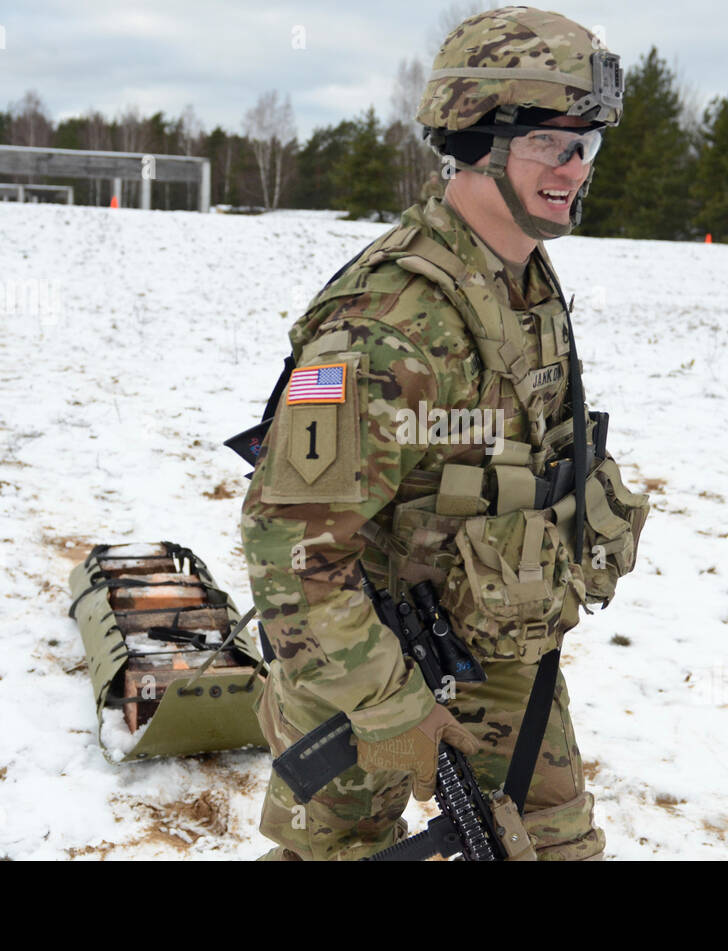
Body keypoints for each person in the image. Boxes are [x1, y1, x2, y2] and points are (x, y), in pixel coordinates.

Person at [239, 5, 647, 861]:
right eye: (550, 143)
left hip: (494, 650)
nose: (576, 168)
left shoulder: (522, 279)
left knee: (559, 845)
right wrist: (393, 708)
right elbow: (289, 550)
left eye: (587, 145)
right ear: (476, 141)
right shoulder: (386, 324)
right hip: (359, 662)